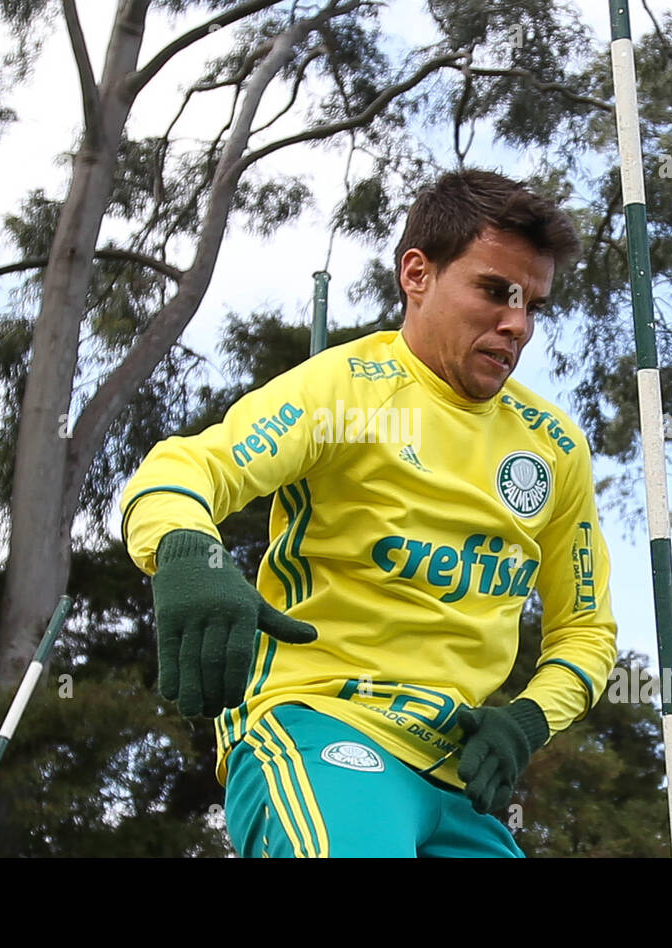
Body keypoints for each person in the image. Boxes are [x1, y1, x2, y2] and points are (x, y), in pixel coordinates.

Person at [119, 168, 618, 857]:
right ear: (417, 274)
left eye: (534, 304)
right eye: (494, 291)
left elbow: (585, 631)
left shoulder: (555, 446)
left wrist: (529, 720)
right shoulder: (344, 390)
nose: (518, 324)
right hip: (321, 729)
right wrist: (185, 552)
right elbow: (183, 470)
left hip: (458, 786)